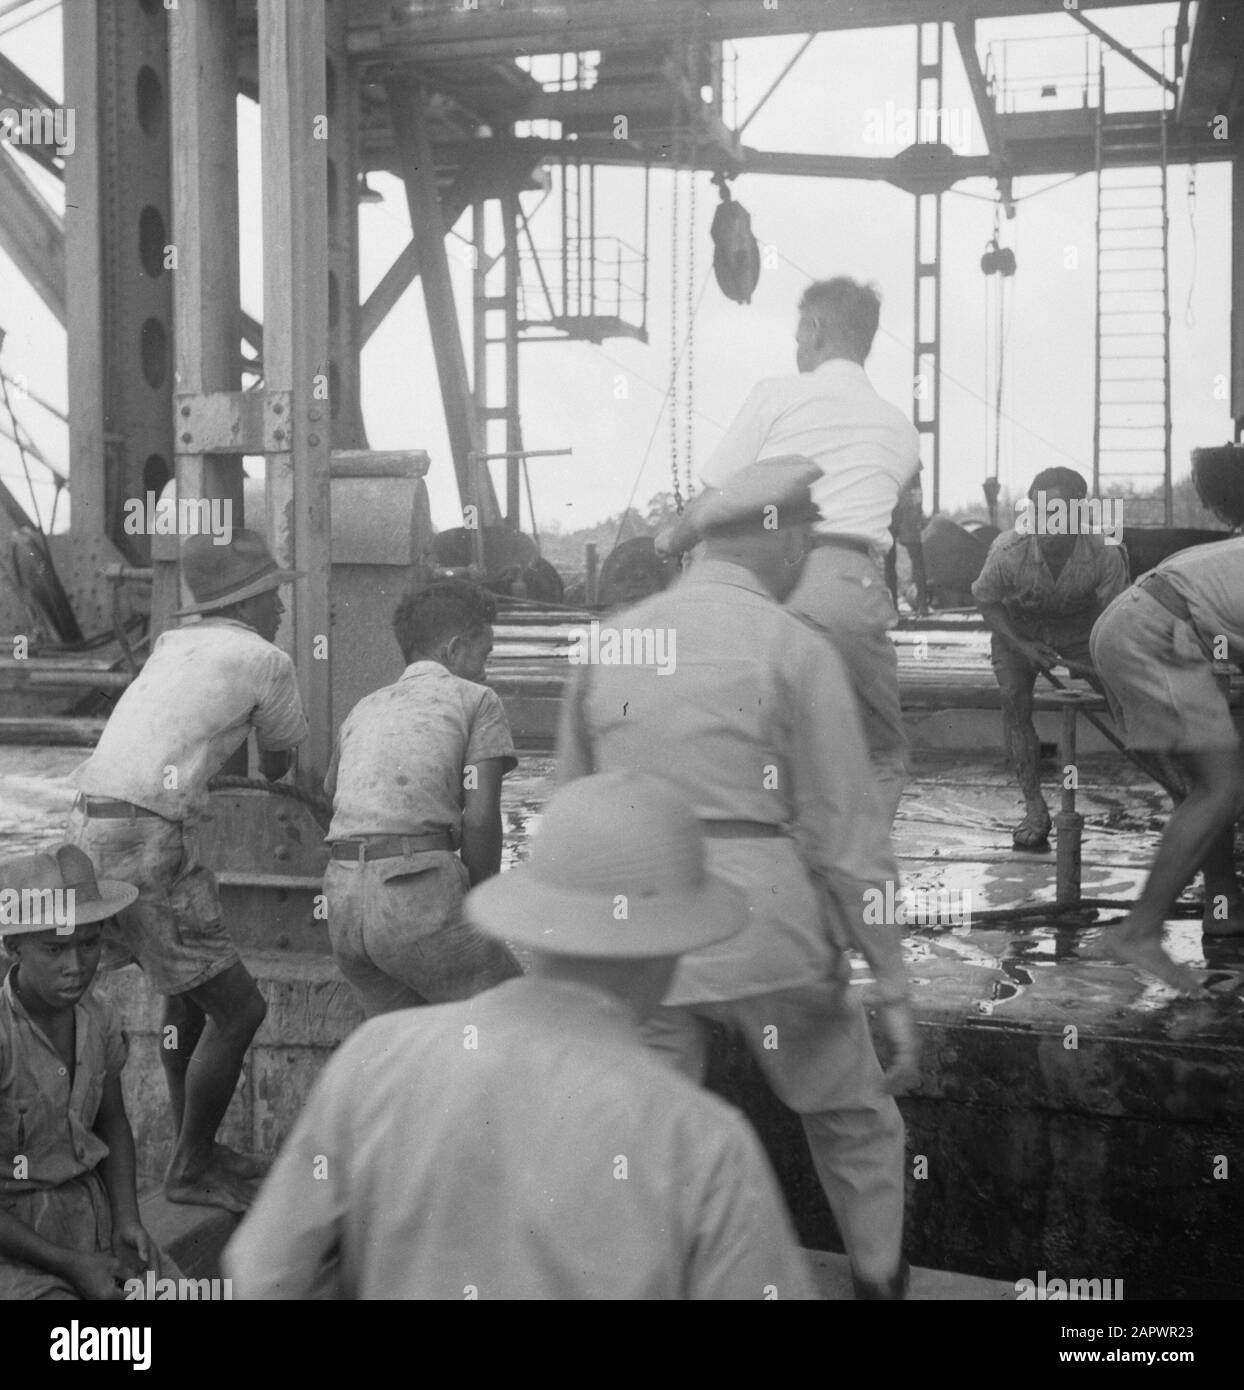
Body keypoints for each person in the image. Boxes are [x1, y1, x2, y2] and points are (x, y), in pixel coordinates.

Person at [223, 773, 819, 1300]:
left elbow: (261, 1274)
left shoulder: (377, 1059)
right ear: (677, 943)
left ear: (538, 914)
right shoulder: (702, 1144)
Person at [559, 459, 919, 1300]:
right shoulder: (795, 646)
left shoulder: (611, 644)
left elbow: (572, 818)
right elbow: (846, 833)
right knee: (849, 1114)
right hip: (769, 927)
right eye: (806, 536)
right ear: (782, 537)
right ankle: (875, 1275)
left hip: (642, 926)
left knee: (640, 1126)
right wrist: (891, 979)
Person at [67, 529, 308, 1212]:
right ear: (254, 601)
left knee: (186, 994)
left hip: (90, 820)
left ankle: (187, 1146)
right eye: (277, 599)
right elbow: (283, 761)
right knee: (240, 1009)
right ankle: (193, 1165)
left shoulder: (172, 644)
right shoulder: (267, 659)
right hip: (151, 835)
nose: (283, 613)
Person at [658, 277, 920, 826]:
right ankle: (848, 889)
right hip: (849, 588)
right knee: (879, 754)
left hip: (753, 585)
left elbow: (714, 501)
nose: (796, 347)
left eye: (799, 334)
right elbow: (895, 517)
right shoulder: (900, 426)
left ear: (815, 329)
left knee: (741, 740)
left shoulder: (776, 394)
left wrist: (668, 542)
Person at [322, 580, 522, 1019]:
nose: (486, 672)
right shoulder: (477, 700)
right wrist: (482, 908)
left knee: (408, 1046)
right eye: (483, 656)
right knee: (516, 1020)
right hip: (414, 896)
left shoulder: (365, 707)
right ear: (454, 650)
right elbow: (482, 818)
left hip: (343, 903)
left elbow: (332, 794)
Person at [1090, 447, 1244, 993]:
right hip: (1156, 630)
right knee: (1219, 788)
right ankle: (1138, 931)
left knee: (1212, 785)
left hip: (1144, 623)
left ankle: (1216, 911)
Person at [0, 845, 180, 1299]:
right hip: (15, 1244)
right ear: (13, 946)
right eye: (54, 949)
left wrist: (127, 1220)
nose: (76, 967)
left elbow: (112, 1121)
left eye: (88, 944)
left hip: (91, 1216)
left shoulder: (98, 1017)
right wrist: (73, 1267)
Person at [972, 468, 1129, 850]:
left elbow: (1118, 617)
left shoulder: (1106, 552)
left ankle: (1182, 786)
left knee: (1127, 693)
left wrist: (1114, 674)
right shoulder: (1008, 549)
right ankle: (1035, 808)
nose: (1047, 522)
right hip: (1019, 628)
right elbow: (987, 600)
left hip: (1082, 630)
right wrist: (1023, 647)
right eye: (1040, 512)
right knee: (1012, 697)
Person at [884, 473, 929, 615]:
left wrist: (918, 509)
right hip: (888, 509)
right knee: (889, 559)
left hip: (908, 510)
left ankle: (922, 604)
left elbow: (917, 486)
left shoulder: (911, 454)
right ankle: (893, 605)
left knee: (916, 556)